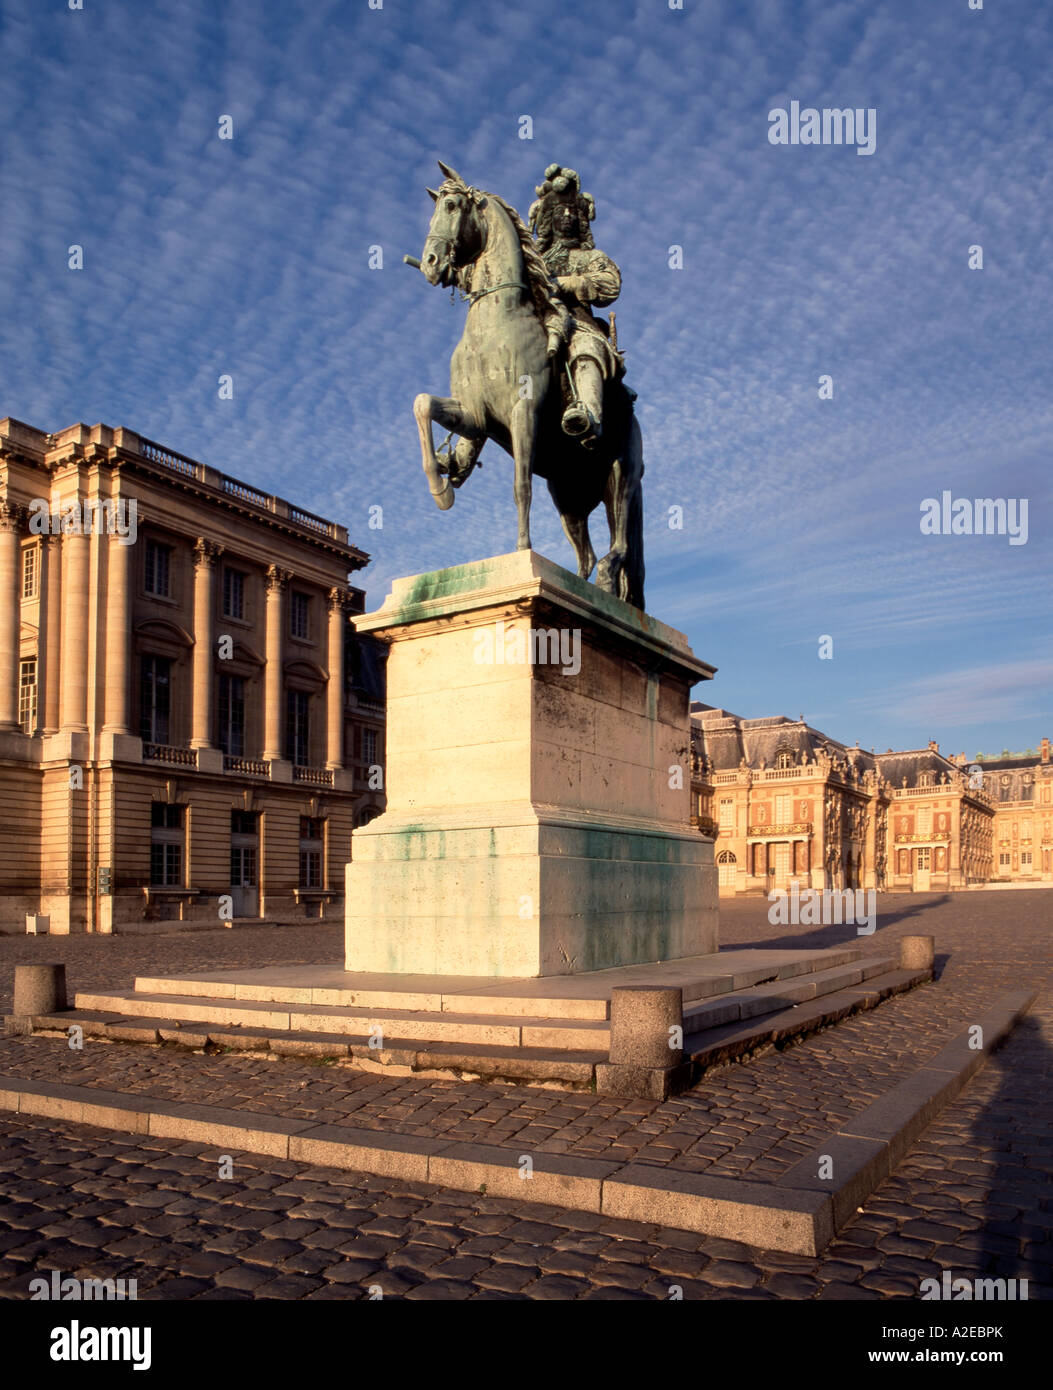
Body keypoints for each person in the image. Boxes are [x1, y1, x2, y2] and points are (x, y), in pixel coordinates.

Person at [528, 165, 625, 448]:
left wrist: (568, 283)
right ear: (548, 217)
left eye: (574, 212)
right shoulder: (533, 260)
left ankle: (588, 414)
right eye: (561, 211)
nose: (568, 216)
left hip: (578, 324)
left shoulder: (591, 257)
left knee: (586, 349)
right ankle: (465, 446)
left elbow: (610, 284)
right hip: (535, 326)